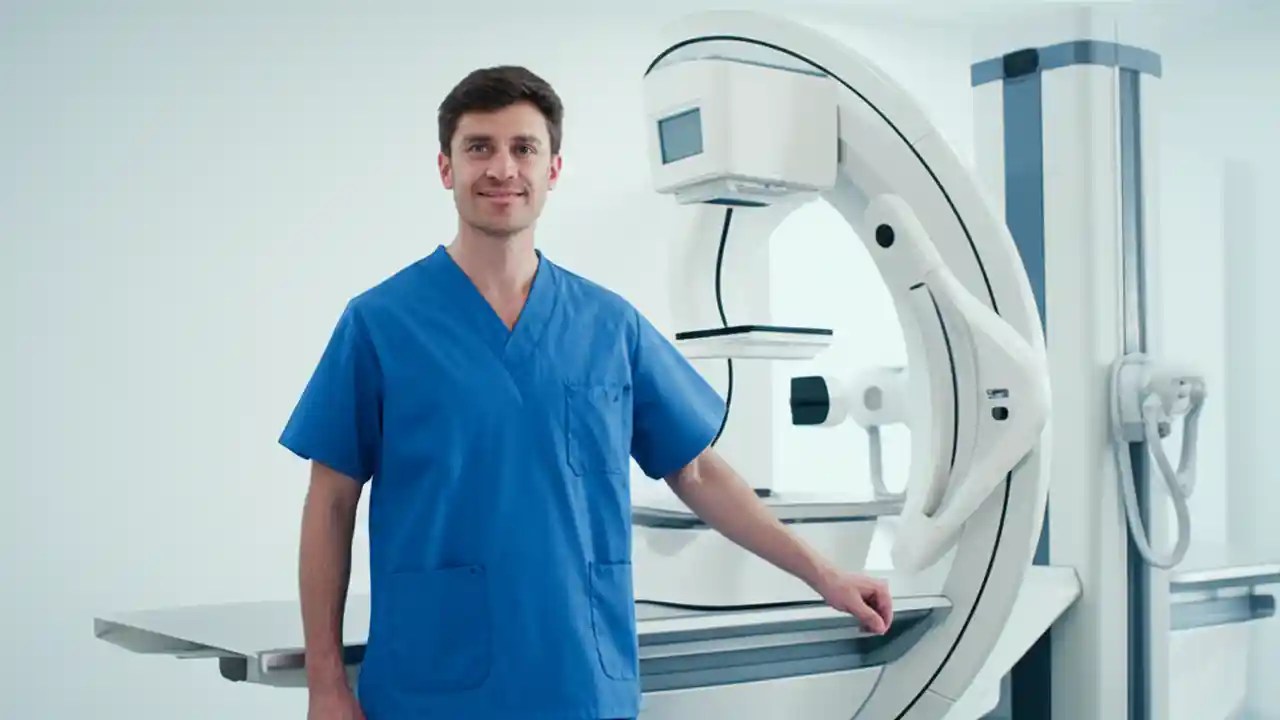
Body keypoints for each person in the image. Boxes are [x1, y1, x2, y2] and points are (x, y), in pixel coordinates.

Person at [282, 65, 893, 720]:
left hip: (580, 680)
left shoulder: (608, 325)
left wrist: (824, 575)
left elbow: (696, 470)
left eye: (524, 148)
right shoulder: (381, 323)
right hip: (433, 683)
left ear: (553, 169)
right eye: (479, 147)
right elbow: (331, 501)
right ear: (445, 167)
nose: (501, 169)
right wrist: (326, 682)